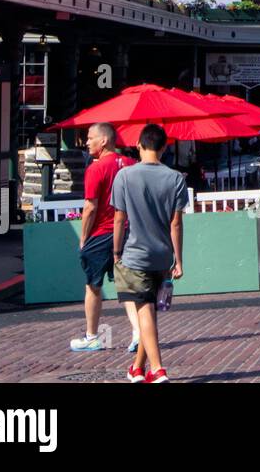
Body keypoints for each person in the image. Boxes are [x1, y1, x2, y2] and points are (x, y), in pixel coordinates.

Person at [110, 124, 186, 384]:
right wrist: (178, 258)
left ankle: (158, 370)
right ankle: (137, 368)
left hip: (135, 254)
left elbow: (119, 218)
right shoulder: (176, 178)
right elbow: (176, 223)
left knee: (145, 310)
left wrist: (116, 251)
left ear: (139, 145)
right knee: (150, 313)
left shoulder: (124, 176)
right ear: (164, 148)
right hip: (163, 255)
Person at [71, 122, 140, 354]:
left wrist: (83, 238)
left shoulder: (96, 169)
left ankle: (91, 336)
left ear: (104, 141)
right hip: (129, 231)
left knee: (93, 285)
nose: (86, 142)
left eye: (90, 138)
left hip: (102, 233)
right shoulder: (132, 164)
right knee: (127, 284)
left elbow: (90, 206)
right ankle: (138, 331)